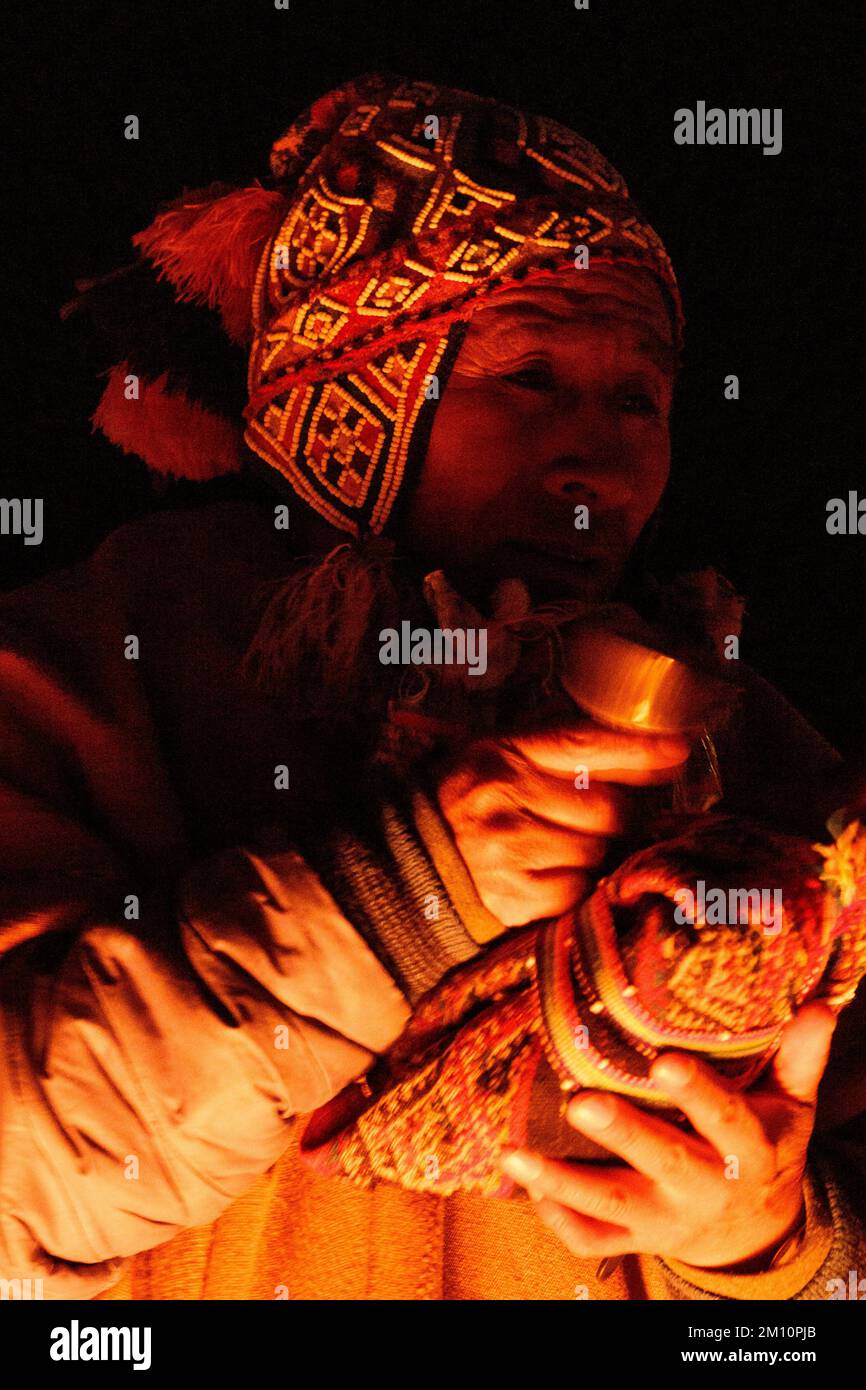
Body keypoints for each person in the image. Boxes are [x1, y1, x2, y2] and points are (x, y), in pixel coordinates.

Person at [0, 73, 863, 1302]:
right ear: (354, 399)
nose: (600, 460)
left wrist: (757, 1247)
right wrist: (404, 890)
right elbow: (21, 1174)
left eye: (638, 398)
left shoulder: (751, 757)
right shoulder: (92, 673)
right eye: (527, 377)